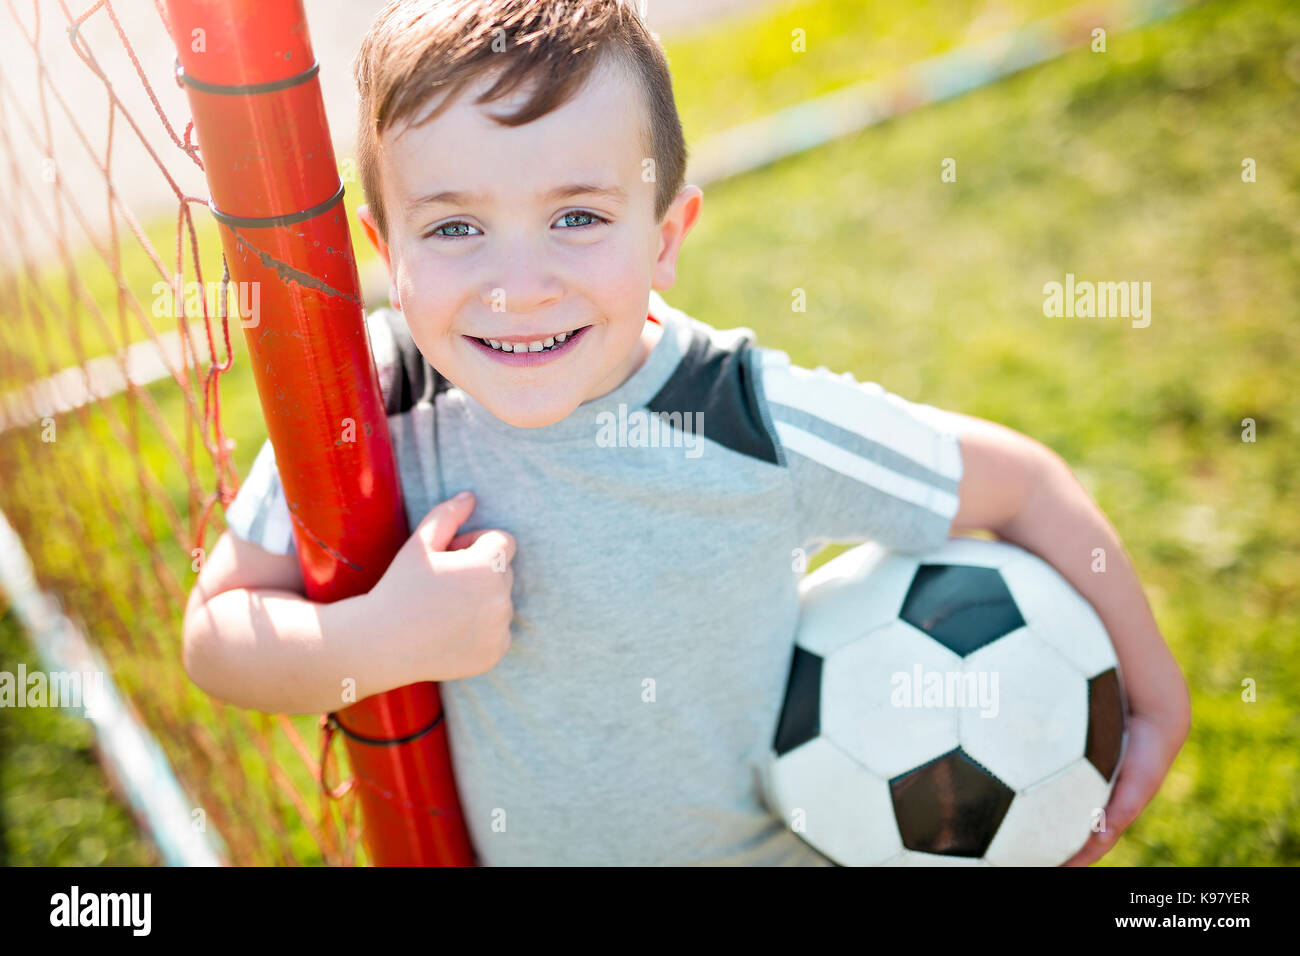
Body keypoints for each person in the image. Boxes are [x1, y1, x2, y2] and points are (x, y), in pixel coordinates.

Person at [182, 0, 1189, 866]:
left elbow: (1021, 483)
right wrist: (378, 638)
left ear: (664, 236)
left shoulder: (744, 416)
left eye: (577, 217)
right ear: (385, 247)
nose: (518, 285)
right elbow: (217, 636)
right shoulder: (372, 401)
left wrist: (1152, 701)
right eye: (454, 227)